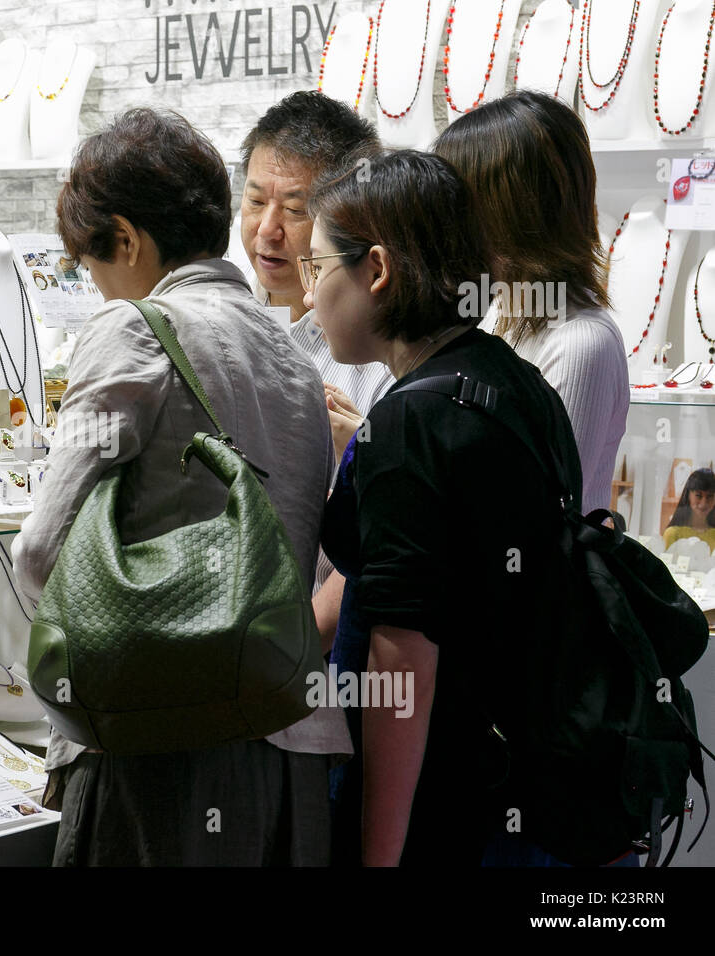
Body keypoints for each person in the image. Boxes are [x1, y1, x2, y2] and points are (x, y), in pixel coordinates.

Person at [12, 107, 335, 866]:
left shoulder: (134, 330)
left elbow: (40, 551)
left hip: (158, 747)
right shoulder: (295, 359)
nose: (94, 287)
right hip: (283, 749)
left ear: (126, 239)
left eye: (92, 265)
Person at [307, 150, 586, 866]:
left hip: (443, 807)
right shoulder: (520, 384)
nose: (309, 298)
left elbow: (404, 666)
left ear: (375, 270)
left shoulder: (409, 424)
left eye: (317, 269)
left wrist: (378, 856)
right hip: (530, 786)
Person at [238, 91, 395, 658]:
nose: (267, 231)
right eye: (255, 200)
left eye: (296, 209)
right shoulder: (230, 323)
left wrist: (294, 647)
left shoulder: (377, 355)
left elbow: (382, 541)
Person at [435, 91, 628, 514]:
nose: (443, 222)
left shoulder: (579, 344)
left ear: (506, 211)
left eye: (455, 203)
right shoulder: (495, 315)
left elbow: (537, 512)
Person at [664, 467, 715, 550]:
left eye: (710, 496)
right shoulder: (673, 533)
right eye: (698, 496)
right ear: (688, 495)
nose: (703, 504)